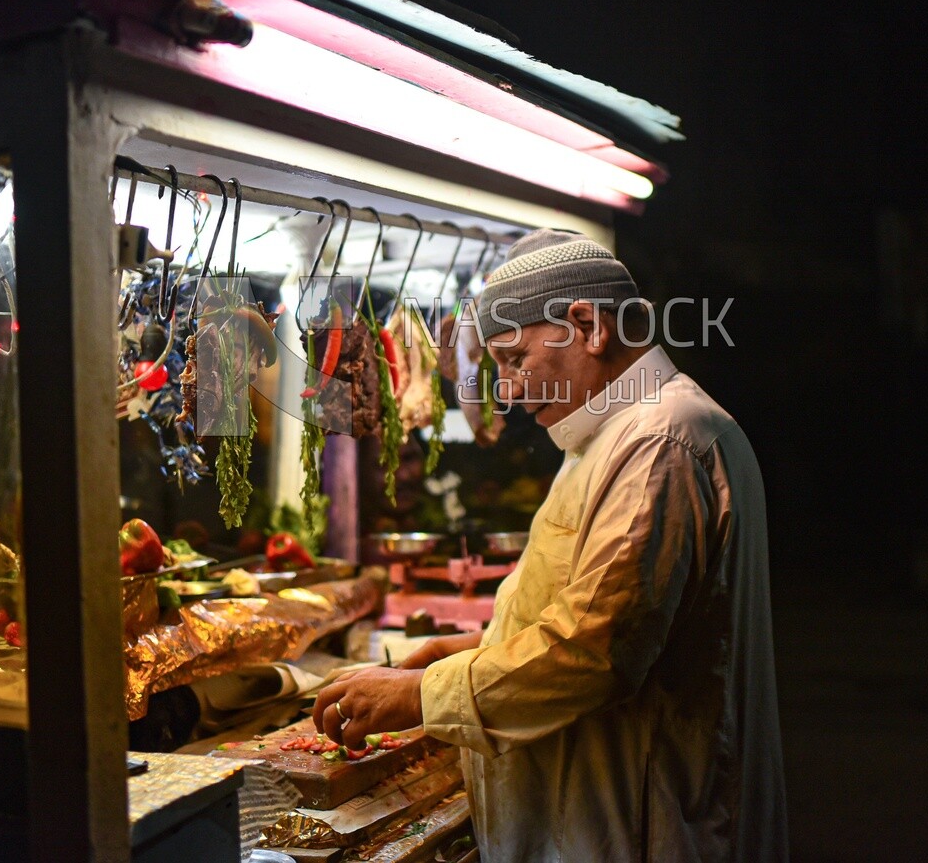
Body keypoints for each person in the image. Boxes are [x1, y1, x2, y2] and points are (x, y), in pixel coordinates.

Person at [313, 229, 789, 862]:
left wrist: (422, 695)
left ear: (588, 326)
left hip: (644, 833)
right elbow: (589, 612)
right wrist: (463, 651)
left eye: (514, 359)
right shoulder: (612, 431)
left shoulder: (658, 442)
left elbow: (595, 652)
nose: (505, 390)